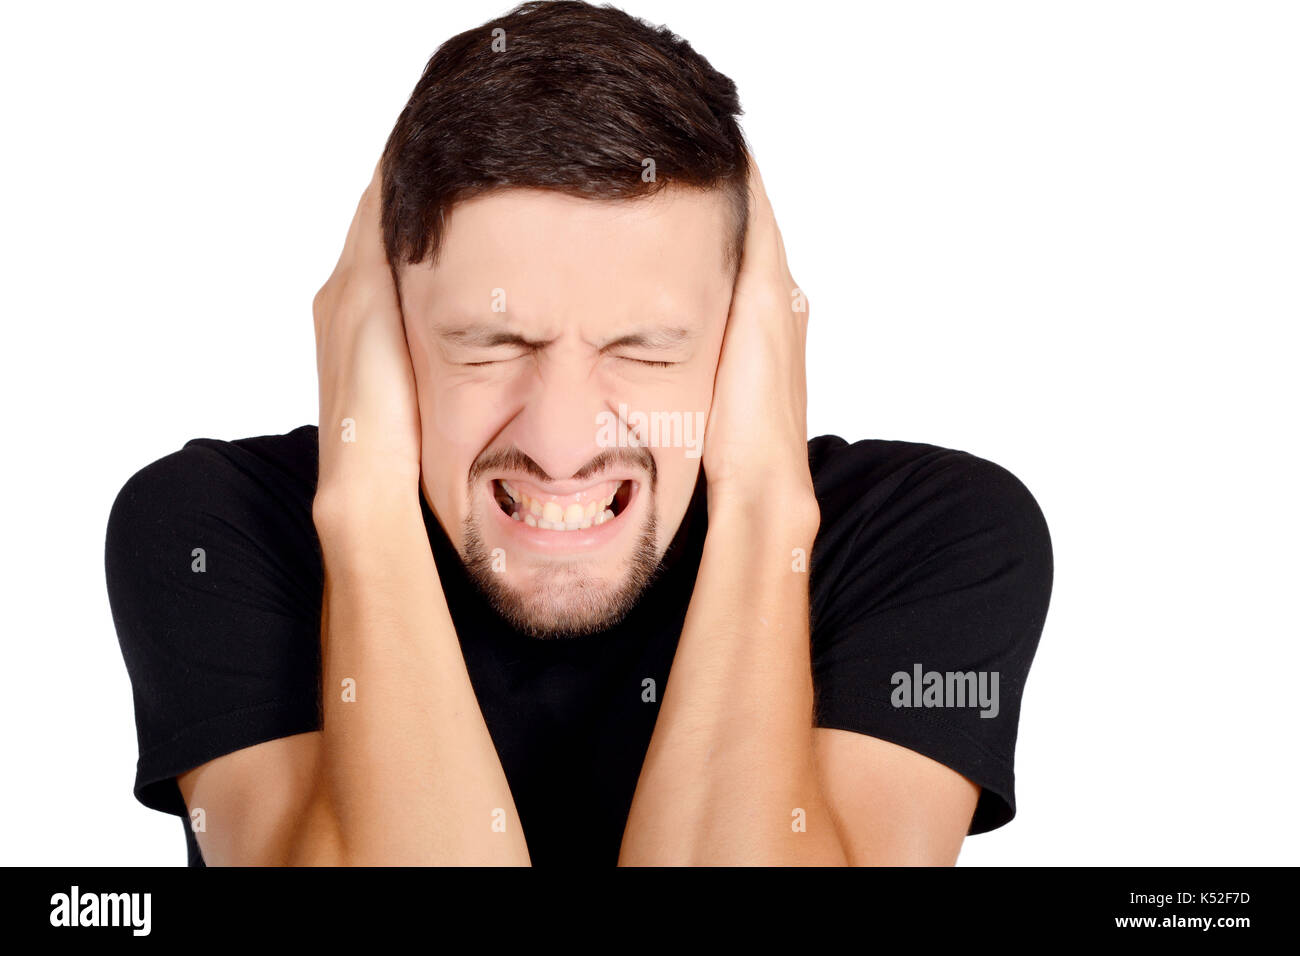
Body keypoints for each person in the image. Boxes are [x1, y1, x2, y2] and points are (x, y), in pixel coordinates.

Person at [104, 0, 1053, 866]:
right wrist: (364, 502)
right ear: (382, 332)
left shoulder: (938, 538)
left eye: (646, 349)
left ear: (748, 339)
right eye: (489, 343)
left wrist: (765, 501)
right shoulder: (208, 531)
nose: (562, 443)